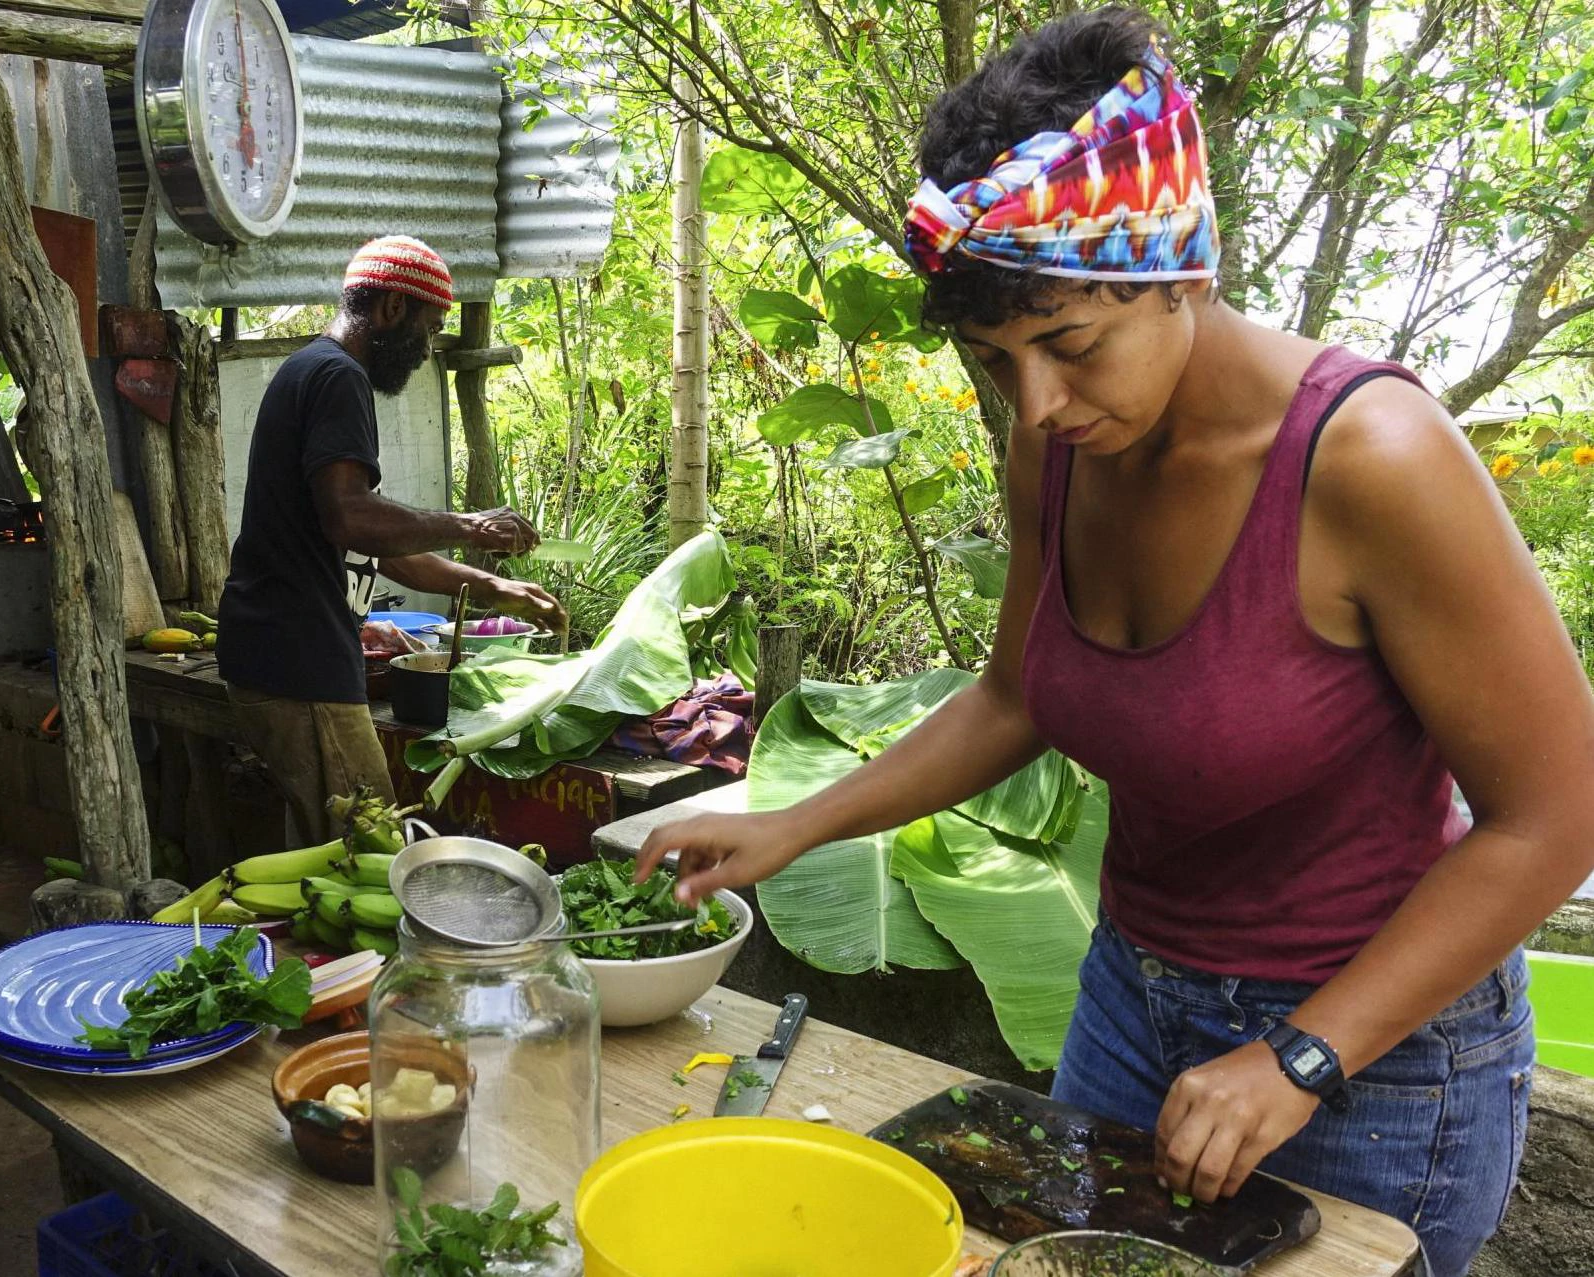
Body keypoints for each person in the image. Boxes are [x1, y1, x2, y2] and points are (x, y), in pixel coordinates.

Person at [637, 10, 1594, 1275]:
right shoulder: (1061, 443)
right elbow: (1014, 695)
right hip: (1129, 1000)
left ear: (1179, 268)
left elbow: (1556, 814)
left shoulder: (1370, 460)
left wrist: (1303, 1053)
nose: (1032, 403)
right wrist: (794, 822)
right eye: (994, 359)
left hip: (1373, 1060)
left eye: (1066, 342)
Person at [218, 236, 565, 843]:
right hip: (301, 669)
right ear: (392, 309)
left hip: (280, 660)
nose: (428, 348)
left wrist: (491, 586)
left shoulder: (313, 370)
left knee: (319, 854)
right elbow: (352, 518)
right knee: (368, 850)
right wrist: (471, 524)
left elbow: (374, 542)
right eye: (430, 329)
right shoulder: (337, 378)